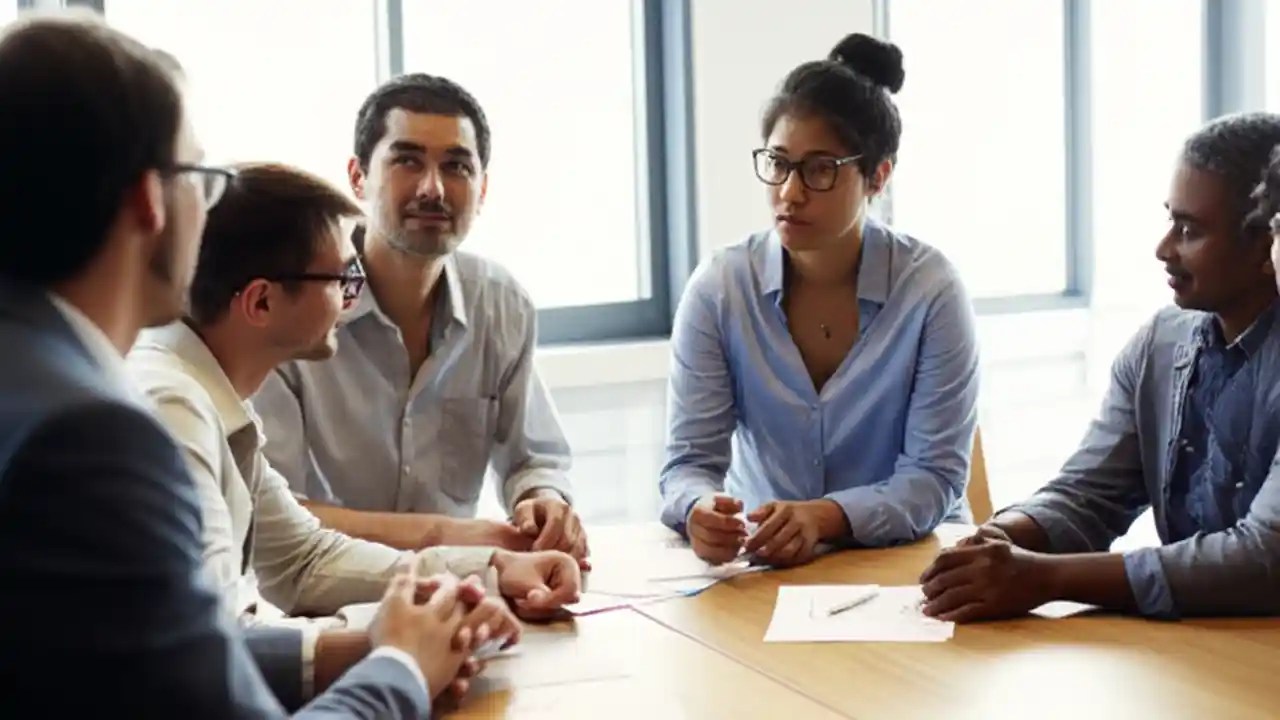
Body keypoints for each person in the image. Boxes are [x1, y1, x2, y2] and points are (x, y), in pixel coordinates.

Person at [0, 12, 484, 718]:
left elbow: (165, 648)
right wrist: (401, 669)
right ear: (149, 201)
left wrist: (369, 642)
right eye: (204, 179)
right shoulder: (95, 437)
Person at [127, 163, 581, 706]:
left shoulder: (205, 393)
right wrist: (388, 652)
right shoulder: (172, 408)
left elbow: (304, 559)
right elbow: (210, 656)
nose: (353, 297)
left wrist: (491, 570)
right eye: (342, 278)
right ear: (262, 302)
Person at [920, 112, 1280, 622]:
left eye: (1190, 230)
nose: (1163, 248)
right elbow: (1090, 495)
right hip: (1190, 652)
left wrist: (1045, 577)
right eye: (1169, 220)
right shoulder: (1160, 343)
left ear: (1268, 245)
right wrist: (1001, 539)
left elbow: (1263, 557)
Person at [659, 33, 979, 567]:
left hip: (910, 567)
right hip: (768, 567)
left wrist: (824, 516)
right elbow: (688, 463)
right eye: (779, 163)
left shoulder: (931, 292)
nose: (790, 192)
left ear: (878, 176)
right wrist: (699, 509)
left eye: (820, 169)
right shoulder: (720, 289)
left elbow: (933, 479)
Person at [252, 74, 588, 561]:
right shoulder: (293, 303)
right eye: (407, 160)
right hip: (320, 601)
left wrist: (544, 502)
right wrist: (449, 537)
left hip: (461, 594)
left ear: (483, 189)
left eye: (456, 167)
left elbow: (534, 459)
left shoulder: (501, 303)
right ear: (357, 177)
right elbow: (275, 514)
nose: (433, 189)